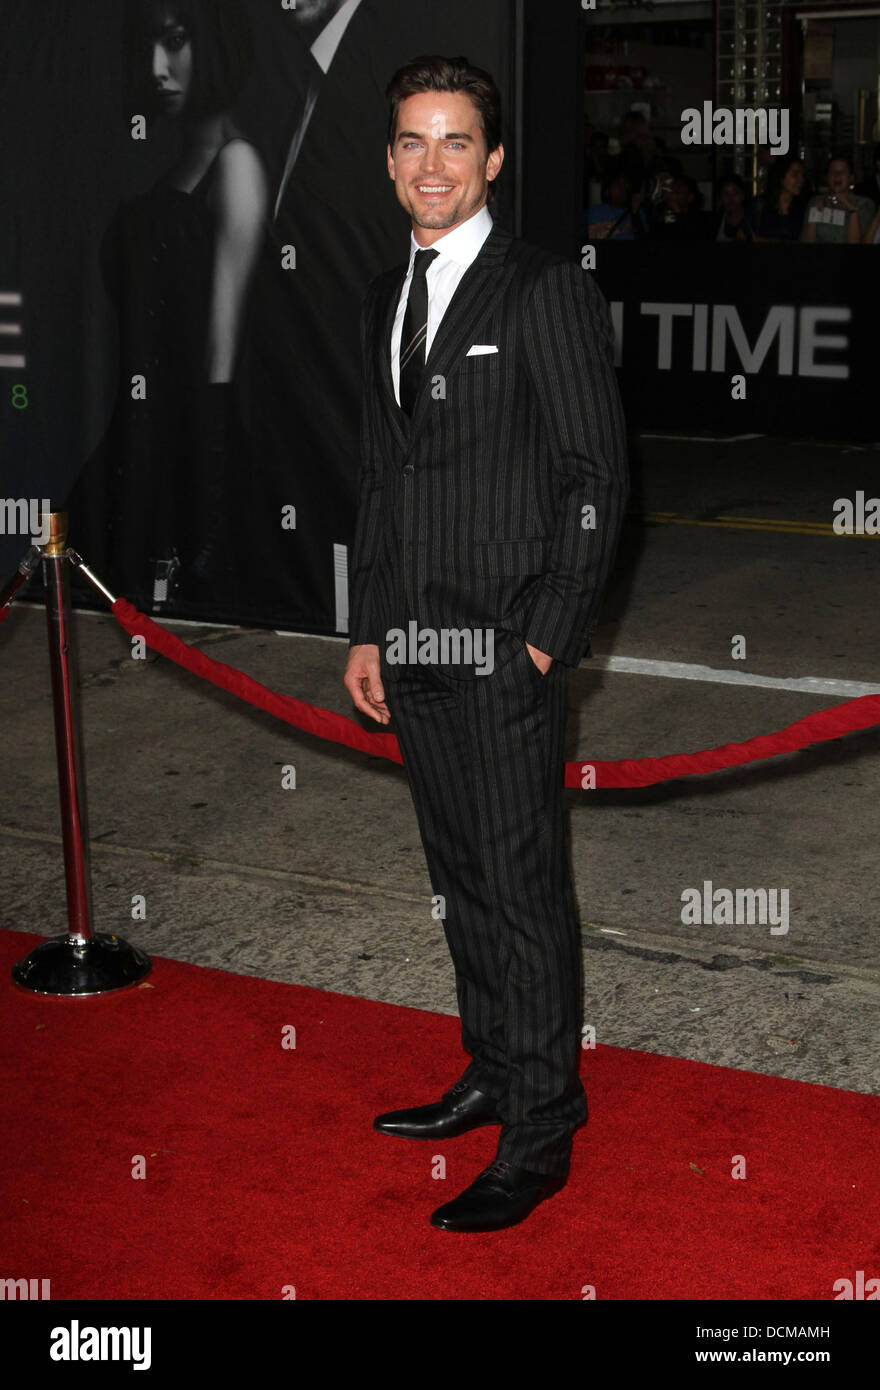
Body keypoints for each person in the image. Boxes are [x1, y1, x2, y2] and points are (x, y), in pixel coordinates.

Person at [344, 56, 629, 1233]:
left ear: (494, 158)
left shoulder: (542, 289)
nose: (429, 165)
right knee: (459, 882)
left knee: (517, 892)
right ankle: (491, 1066)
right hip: (408, 642)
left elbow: (594, 479)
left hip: (503, 650)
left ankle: (541, 1123)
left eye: (454, 141)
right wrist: (364, 625)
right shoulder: (388, 289)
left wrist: (546, 641)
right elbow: (383, 473)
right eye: (411, 142)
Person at [69, 0, 268, 614]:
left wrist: (200, 508)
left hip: (181, 444)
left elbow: (220, 360)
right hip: (138, 430)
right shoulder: (171, 166)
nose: (158, 66)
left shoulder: (236, 168)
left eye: (176, 42)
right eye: (151, 44)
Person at [801, 153, 875, 244]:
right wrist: (815, 212)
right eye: (832, 171)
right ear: (827, 177)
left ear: (851, 177)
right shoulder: (815, 202)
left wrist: (851, 209)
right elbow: (807, 244)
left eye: (842, 171)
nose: (837, 175)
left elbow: (857, 246)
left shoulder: (864, 204)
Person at [584, 159, 648, 240]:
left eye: (625, 184)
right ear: (608, 189)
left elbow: (644, 244)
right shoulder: (593, 212)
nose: (622, 188)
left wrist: (635, 212)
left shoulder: (637, 213)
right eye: (617, 183)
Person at [751, 155, 808, 242]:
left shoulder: (803, 208)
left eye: (802, 175)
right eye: (795, 174)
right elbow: (744, 236)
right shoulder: (760, 205)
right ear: (781, 176)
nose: (801, 180)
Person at [713, 174, 754, 242]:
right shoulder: (715, 222)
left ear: (742, 195)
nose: (731, 198)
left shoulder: (754, 219)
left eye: (735, 193)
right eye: (726, 194)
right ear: (720, 198)